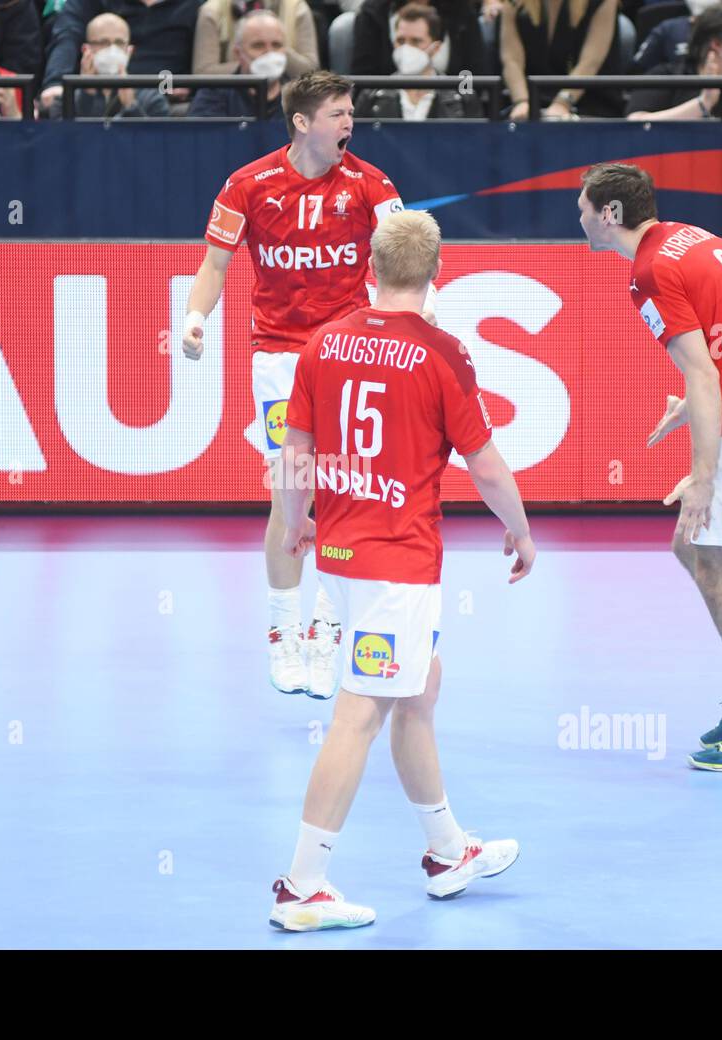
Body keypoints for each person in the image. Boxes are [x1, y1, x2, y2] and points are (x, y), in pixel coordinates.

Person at [267, 209, 531, 931]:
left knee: (420, 687)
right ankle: (303, 885)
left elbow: (294, 449)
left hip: (343, 557)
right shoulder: (443, 353)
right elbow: (485, 464)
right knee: (357, 716)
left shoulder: (323, 342)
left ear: (371, 269)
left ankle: (448, 851)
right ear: (436, 272)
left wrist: (295, 521)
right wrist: (520, 530)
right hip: (397, 564)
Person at [182, 71, 437, 701]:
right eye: (337, 114)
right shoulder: (247, 184)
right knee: (291, 493)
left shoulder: (372, 184)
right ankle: (282, 633)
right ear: (302, 122)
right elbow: (215, 262)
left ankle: (327, 633)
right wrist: (193, 319)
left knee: (342, 493)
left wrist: (422, 313)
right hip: (279, 355)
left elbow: (408, 259)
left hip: (351, 352)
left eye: (351, 113)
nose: (349, 123)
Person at [578, 162, 722, 771]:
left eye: (584, 206)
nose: (579, 215)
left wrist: (705, 477)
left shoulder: (648, 271)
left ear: (610, 214)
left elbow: (701, 371)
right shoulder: (692, 236)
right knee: (691, 548)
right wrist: (693, 413)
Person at [353, 2, 485, 118]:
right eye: (401, 41)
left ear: (435, 48)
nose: (406, 48)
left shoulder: (463, 100)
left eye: (416, 41)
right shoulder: (370, 98)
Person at [46, 12, 169, 118]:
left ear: (129, 51)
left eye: (119, 43)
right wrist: (87, 95)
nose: (112, 49)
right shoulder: (64, 101)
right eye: (103, 42)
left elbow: (152, 143)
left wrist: (130, 106)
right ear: (86, 50)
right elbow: (71, 141)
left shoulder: (152, 99)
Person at [187, 8, 291, 119]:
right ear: (238, 53)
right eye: (258, 45)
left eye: (276, 45)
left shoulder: (302, 97)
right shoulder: (212, 95)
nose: (269, 53)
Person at [192, 0, 319, 76]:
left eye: (275, 44)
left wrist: (278, 52)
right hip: (232, 93)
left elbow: (311, 70)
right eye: (259, 45)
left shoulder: (296, 8)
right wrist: (250, 65)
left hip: (289, 93)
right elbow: (203, 72)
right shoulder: (212, 11)